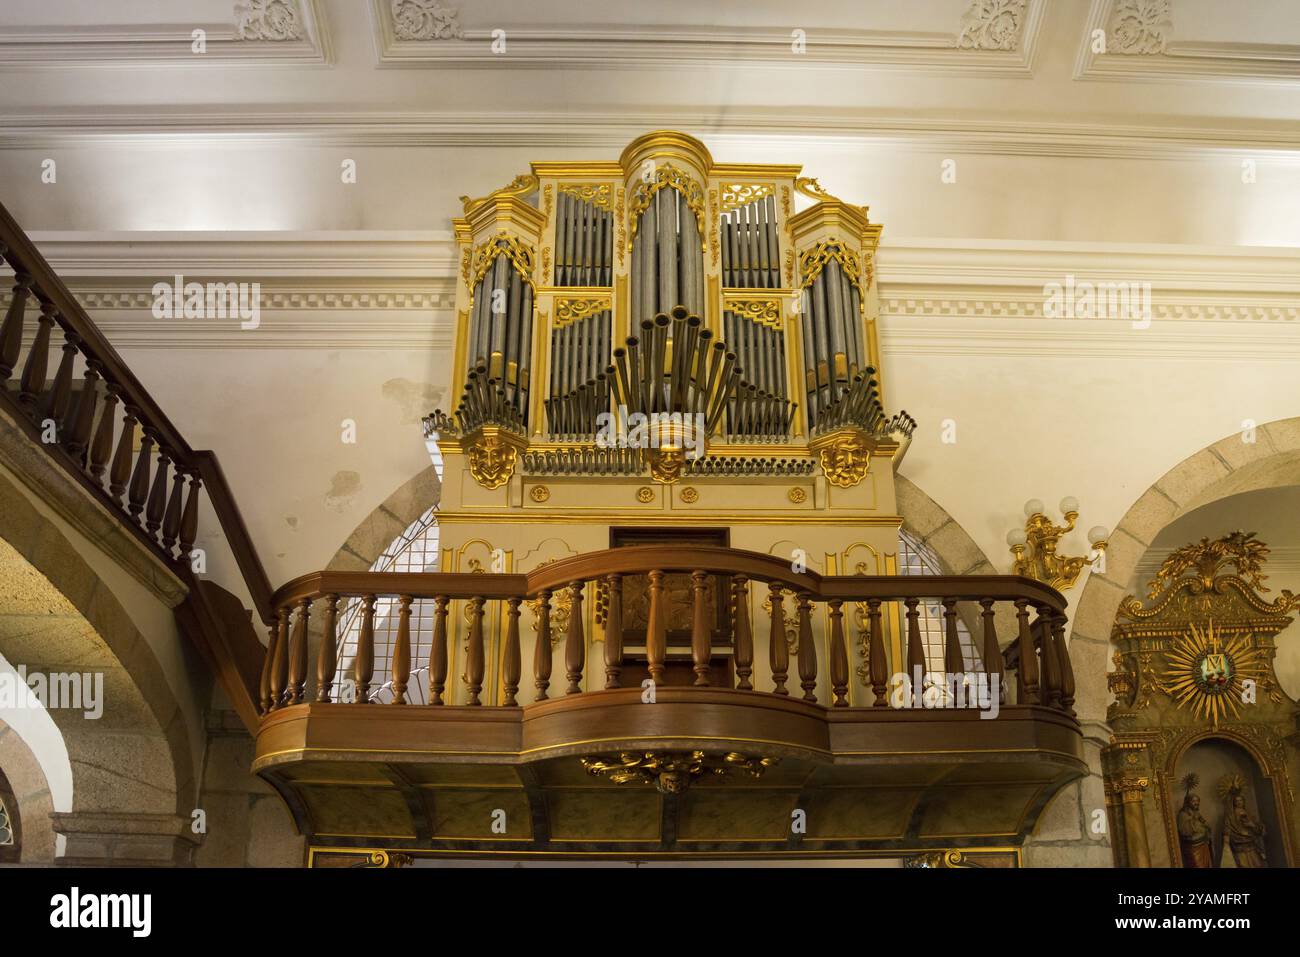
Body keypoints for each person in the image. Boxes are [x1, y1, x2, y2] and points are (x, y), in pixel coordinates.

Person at [1222, 791, 1267, 868]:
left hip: (1252, 846)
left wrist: (1252, 825)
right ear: (1234, 803)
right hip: (1239, 848)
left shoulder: (1250, 814)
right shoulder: (1230, 817)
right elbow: (1227, 831)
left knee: (1258, 865)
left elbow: (1260, 830)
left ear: (1243, 801)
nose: (1239, 802)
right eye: (1237, 801)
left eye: (1241, 800)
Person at [1177, 792, 1214, 867]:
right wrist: (1193, 819)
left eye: (1197, 801)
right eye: (1193, 801)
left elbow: (1205, 824)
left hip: (1203, 845)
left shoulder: (1197, 813)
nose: (1196, 803)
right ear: (1188, 802)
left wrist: (1207, 828)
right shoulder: (1182, 815)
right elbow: (1184, 831)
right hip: (1193, 848)